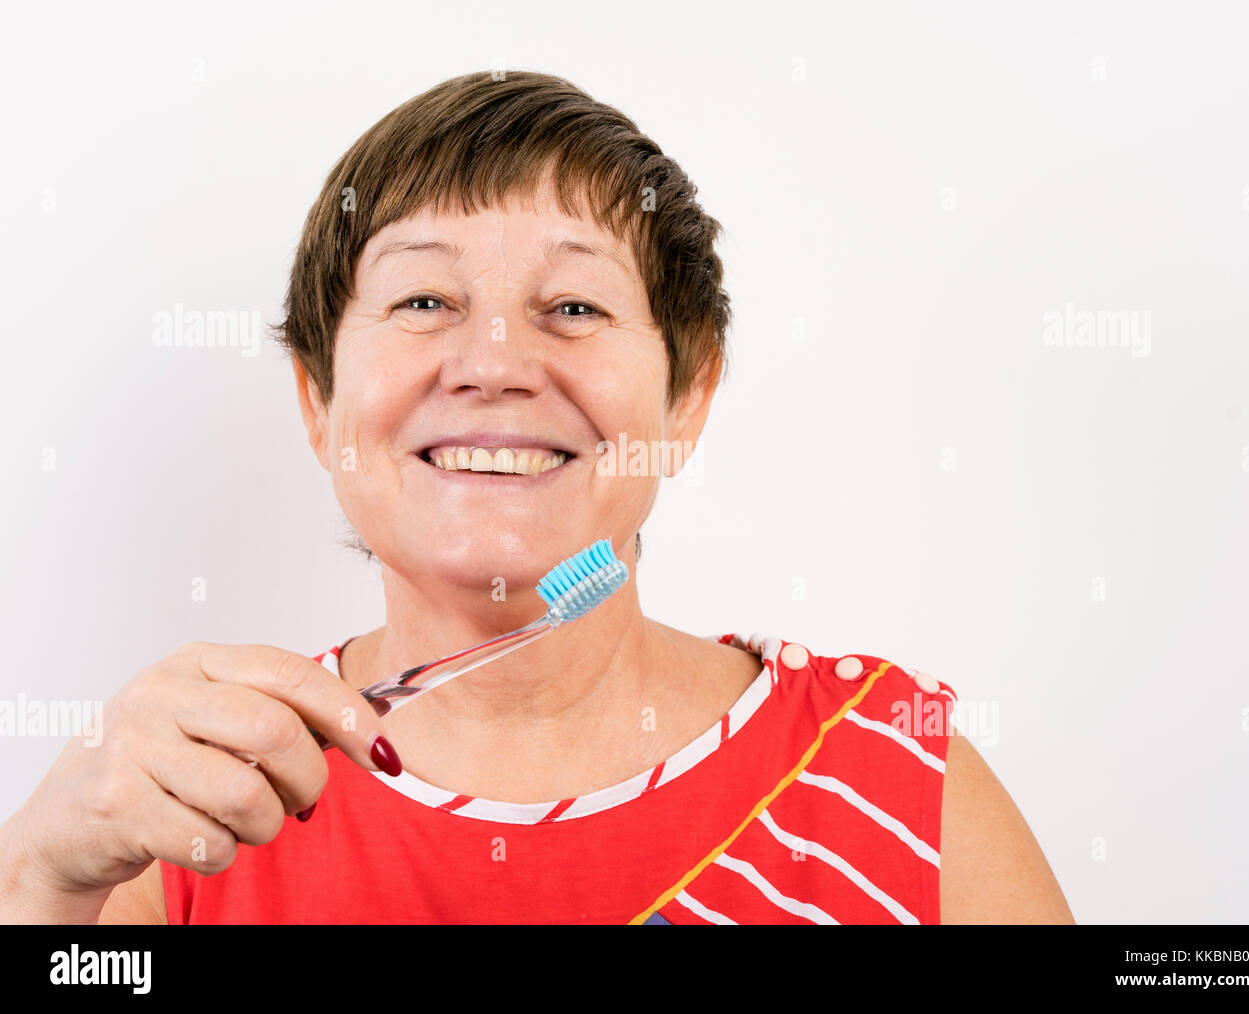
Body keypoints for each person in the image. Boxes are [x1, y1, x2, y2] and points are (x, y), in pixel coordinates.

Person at [0, 70, 1073, 924]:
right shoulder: (189, 812)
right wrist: (38, 887)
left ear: (687, 394)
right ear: (318, 397)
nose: (496, 363)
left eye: (572, 304)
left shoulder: (891, 769)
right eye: (424, 298)